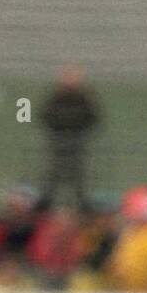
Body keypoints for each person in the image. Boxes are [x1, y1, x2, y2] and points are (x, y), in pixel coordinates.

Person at [40, 65, 101, 209]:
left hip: (77, 142)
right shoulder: (55, 98)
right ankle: (46, 201)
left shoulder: (85, 99)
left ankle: (81, 202)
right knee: (54, 172)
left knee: (78, 174)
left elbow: (93, 117)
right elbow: (46, 116)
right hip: (58, 142)